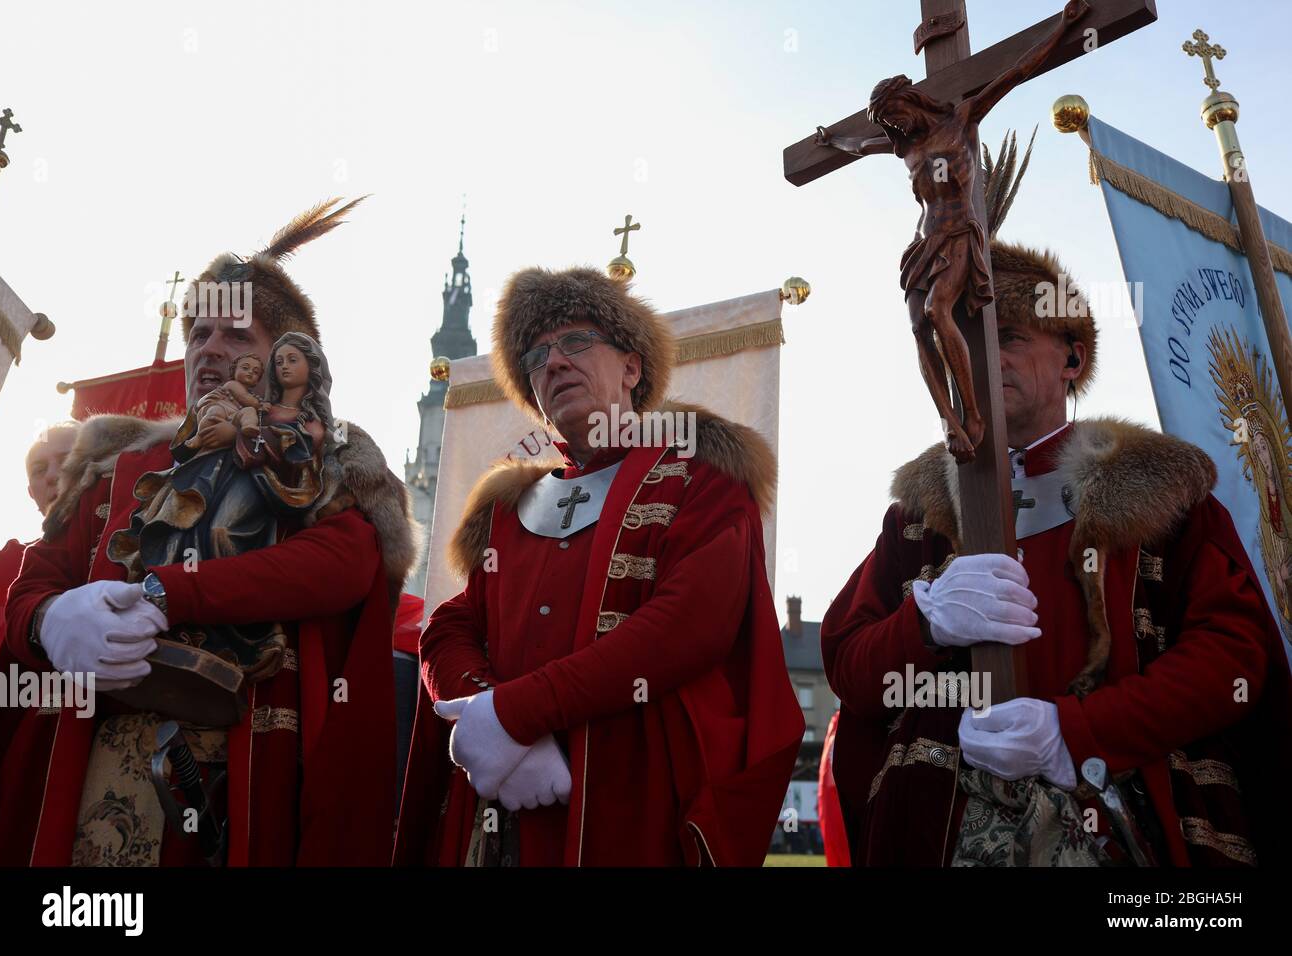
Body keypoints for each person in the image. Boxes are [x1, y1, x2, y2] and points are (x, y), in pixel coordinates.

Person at [821, 240, 1292, 866]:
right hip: (935, 830)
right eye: (960, 340)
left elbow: (1234, 660)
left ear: (1072, 357)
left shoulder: (1163, 488)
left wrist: (1075, 734)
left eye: (1008, 335)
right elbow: (850, 669)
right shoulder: (916, 512)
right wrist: (921, 624)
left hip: (1122, 823)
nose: (980, 356)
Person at [0, 198, 421, 866]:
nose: (210, 350)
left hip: (247, 777)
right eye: (200, 335)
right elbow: (37, 581)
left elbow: (342, 561)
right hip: (85, 774)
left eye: (236, 336)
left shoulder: (324, 456)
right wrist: (48, 619)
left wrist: (168, 593)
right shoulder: (113, 464)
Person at [396, 266, 803, 866]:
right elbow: (452, 626)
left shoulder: (701, 475)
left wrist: (515, 715)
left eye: (577, 342)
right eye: (536, 355)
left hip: (629, 811)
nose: (554, 361)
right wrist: (486, 714)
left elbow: (688, 626)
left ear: (632, 368)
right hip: (500, 820)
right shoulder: (508, 511)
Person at [0, 423, 79, 658]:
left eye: (68, 459)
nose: (52, 475)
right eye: (39, 470)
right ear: (31, 493)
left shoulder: (148, 547)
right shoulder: (5, 565)